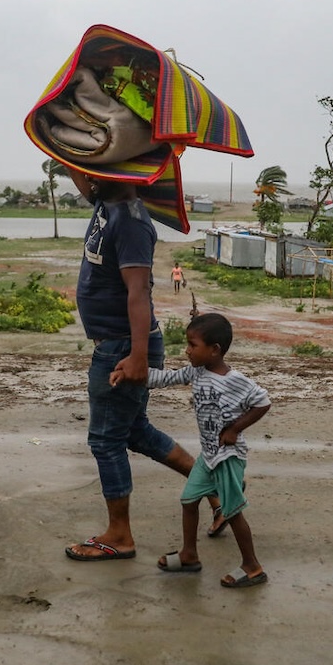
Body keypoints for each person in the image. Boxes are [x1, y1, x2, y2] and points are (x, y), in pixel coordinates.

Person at [64, 170, 218, 561]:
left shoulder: (131, 220)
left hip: (123, 347)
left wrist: (135, 357)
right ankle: (219, 490)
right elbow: (84, 181)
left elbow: (138, 293)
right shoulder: (107, 201)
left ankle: (120, 535)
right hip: (120, 343)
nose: (87, 172)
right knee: (136, 431)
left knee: (106, 441)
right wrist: (59, 139)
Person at [114, 312, 271, 588]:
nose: (187, 350)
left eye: (192, 345)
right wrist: (131, 372)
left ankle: (252, 566)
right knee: (188, 500)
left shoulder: (234, 380)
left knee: (232, 511)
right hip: (208, 456)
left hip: (228, 458)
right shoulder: (197, 371)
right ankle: (189, 555)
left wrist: (235, 429)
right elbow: (165, 378)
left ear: (214, 350)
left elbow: (263, 402)